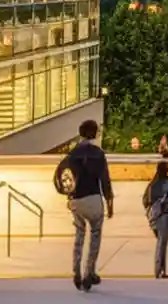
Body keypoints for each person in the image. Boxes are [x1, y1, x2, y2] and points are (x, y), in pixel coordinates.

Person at [53, 119, 114, 292]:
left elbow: (66, 176)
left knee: (79, 235)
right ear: (94, 133)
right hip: (93, 198)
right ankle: (89, 273)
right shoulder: (98, 153)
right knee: (95, 234)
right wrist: (109, 202)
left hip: (76, 200)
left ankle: (76, 272)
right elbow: (105, 180)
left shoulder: (72, 154)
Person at [142, 162, 168, 279]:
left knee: (161, 242)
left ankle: (161, 269)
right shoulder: (167, 182)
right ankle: (159, 269)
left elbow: (145, 200)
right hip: (162, 216)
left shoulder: (152, 184)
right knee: (162, 243)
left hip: (153, 216)